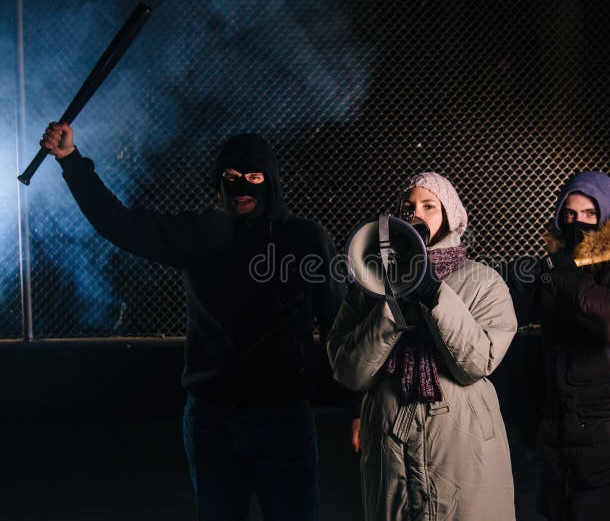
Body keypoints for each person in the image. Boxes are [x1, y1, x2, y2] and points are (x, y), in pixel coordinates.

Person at [40, 121, 344, 521]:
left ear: (270, 180)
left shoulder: (305, 239)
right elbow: (122, 225)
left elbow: (338, 321)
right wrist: (71, 161)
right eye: (231, 178)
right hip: (212, 420)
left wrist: (356, 403)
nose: (242, 188)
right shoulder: (202, 233)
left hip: (284, 419)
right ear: (219, 182)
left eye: (253, 177)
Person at [327, 172, 518, 520]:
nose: (416, 214)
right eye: (408, 207)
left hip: (461, 441)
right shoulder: (371, 284)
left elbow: (476, 364)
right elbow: (348, 371)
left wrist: (434, 293)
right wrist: (389, 303)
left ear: (450, 216)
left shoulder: (484, 281)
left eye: (429, 206)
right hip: (391, 443)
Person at [511, 171, 610, 520]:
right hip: (564, 447)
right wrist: (532, 280)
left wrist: (560, 275)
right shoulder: (559, 269)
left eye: (589, 215)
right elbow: (518, 312)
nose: (577, 223)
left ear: (607, 216)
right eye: (569, 215)